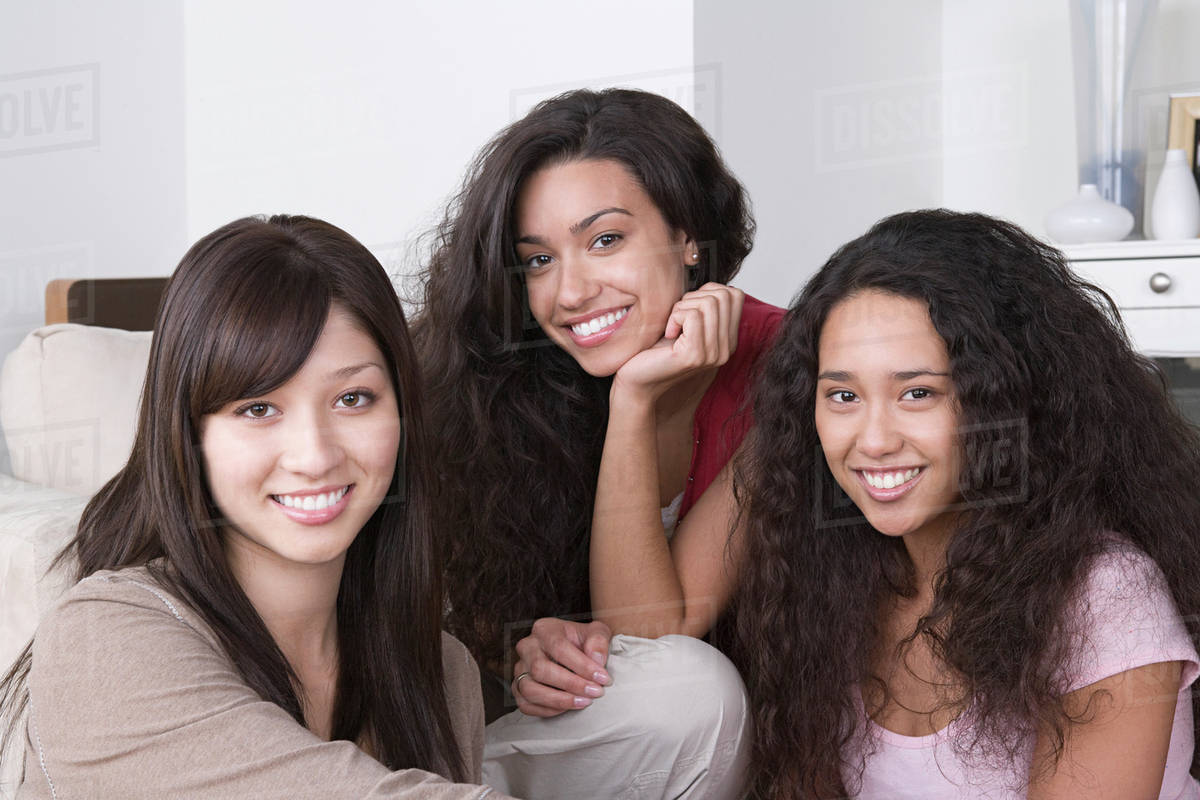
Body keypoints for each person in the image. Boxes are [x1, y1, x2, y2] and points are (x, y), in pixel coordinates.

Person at [0, 215, 514, 798]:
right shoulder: (106, 637)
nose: (314, 456)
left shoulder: (440, 671)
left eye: (353, 398)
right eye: (258, 408)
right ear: (189, 434)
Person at [731, 209, 1200, 799]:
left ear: (1007, 401)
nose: (872, 440)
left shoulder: (1105, 595)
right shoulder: (828, 576)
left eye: (918, 392)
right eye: (843, 395)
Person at [414, 88, 782, 797]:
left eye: (605, 240)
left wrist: (635, 401)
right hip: (605, 745)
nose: (571, 292)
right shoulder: (501, 383)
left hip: (723, 739)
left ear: (688, 236)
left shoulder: (790, 369)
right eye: (539, 261)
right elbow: (572, 654)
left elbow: (654, 634)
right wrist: (534, 657)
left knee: (689, 690)